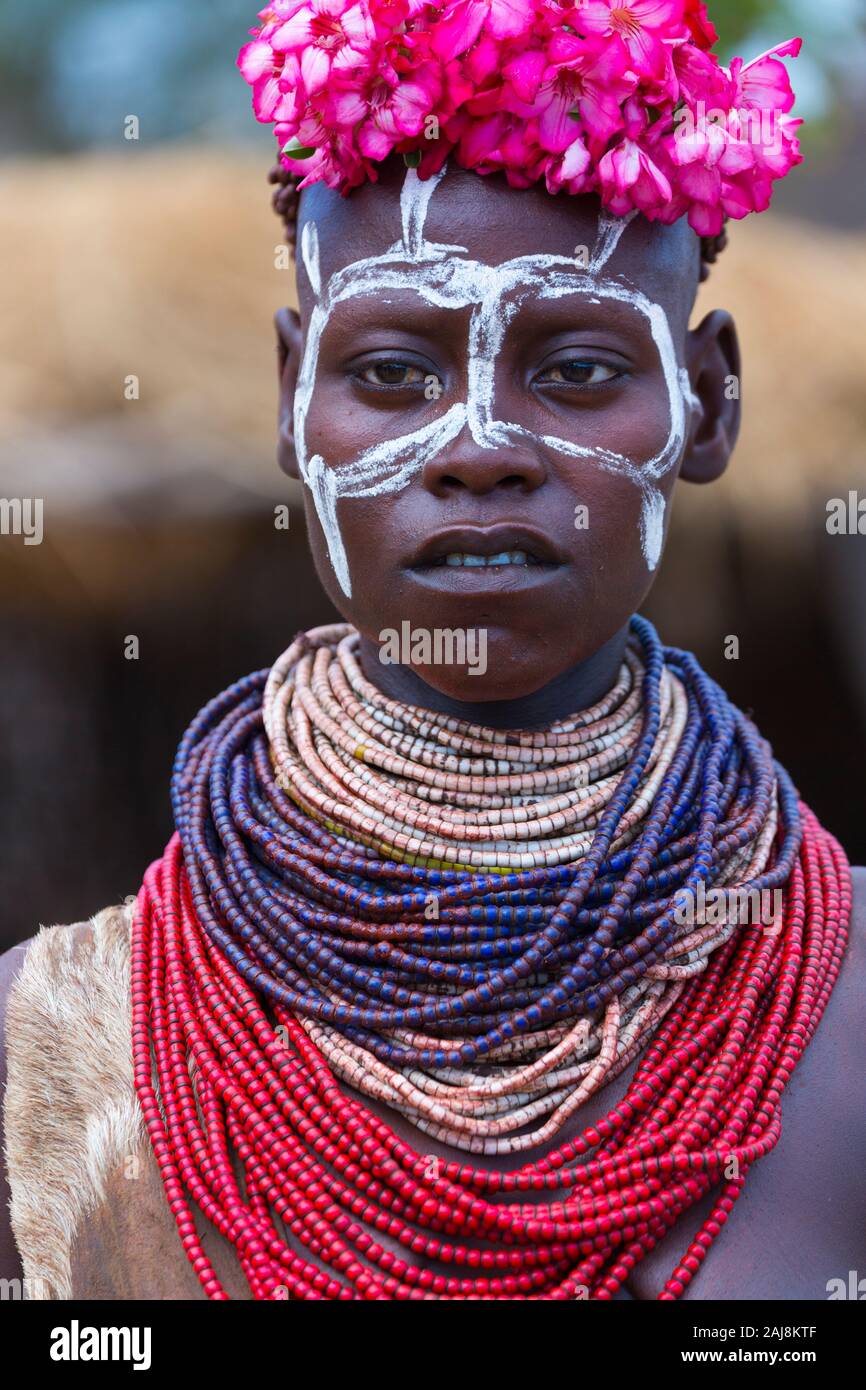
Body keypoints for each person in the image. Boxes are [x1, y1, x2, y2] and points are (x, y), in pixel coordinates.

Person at [1, 0, 864, 1301]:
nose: (477, 447)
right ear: (292, 400)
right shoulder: (47, 1041)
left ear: (707, 404)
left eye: (574, 368)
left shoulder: (837, 1003)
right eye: (393, 373)